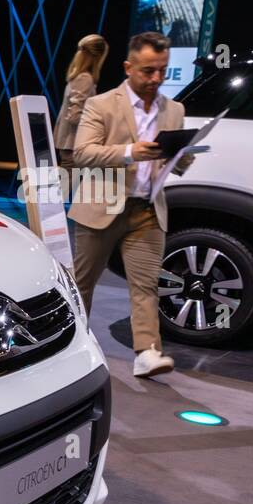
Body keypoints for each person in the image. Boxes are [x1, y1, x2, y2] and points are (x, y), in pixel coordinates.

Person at [70, 31, 192, 378]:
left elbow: (177, 162)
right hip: (102, 207)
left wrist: (182, 155)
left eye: (162, 70)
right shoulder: (102, 104)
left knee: (146, 284)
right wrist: (129, 152)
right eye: (148, 71)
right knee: (82, 283)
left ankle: (147, 352)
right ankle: (72, 344)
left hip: (147, 210)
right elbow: (82, 153)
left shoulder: (175, 109)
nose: (156, 78)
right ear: (128, 66)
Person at [54, 34, 108, 164]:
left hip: (70, 145)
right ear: (98, 57)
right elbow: (74, 116)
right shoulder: (85, 79)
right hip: (73, 145)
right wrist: (98, 125)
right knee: (70, 184)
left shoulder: (79, 77)